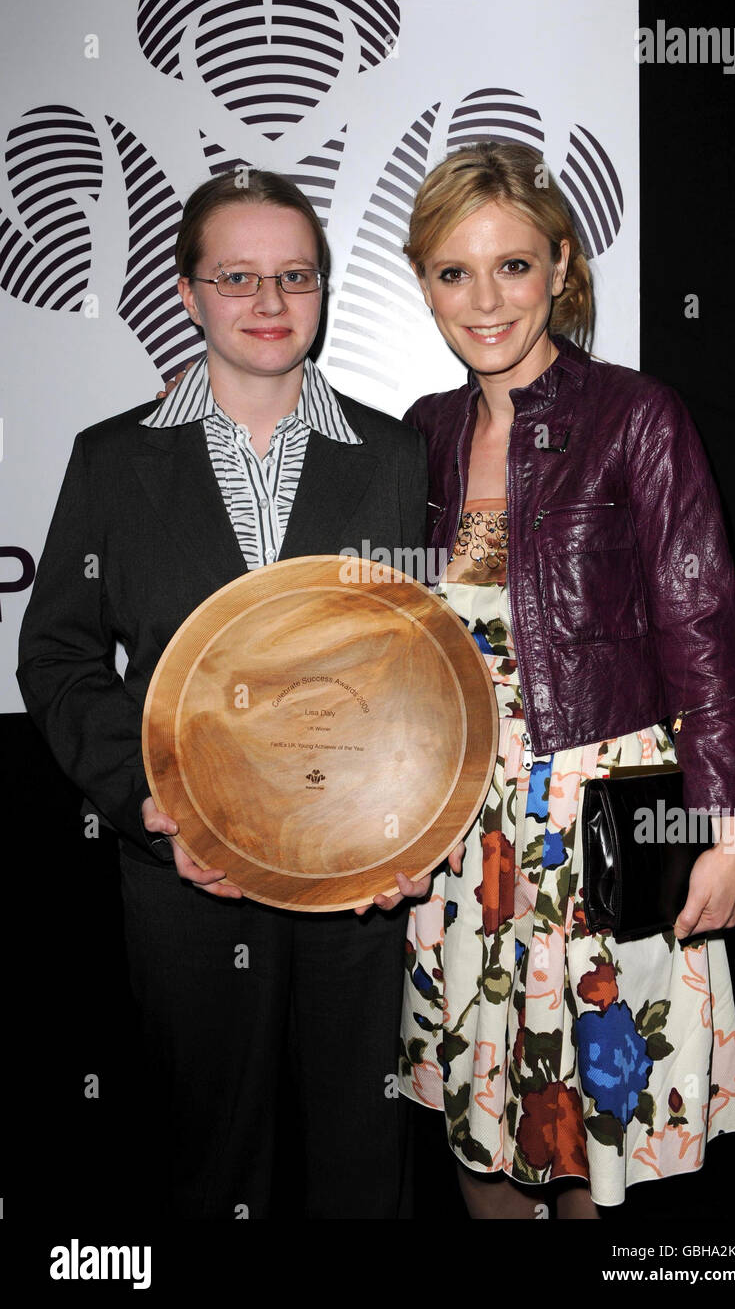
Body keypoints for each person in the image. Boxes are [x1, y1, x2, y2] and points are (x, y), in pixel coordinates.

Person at [17, 168, 430, 1219]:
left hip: (355, 879)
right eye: (236, 276)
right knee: (207, 1167)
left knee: (358, 1167)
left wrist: (410, 833)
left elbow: (429, 676)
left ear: (324, 289)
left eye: (294, 275)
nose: (268, 302)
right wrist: (151, 801)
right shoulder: (113, 460)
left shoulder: (391, 456)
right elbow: (59, 651)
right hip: (186, 880)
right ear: (188, 292)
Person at [397, 141, 735, 1218]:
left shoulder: (634, 416)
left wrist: (731, 825)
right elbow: (391, 643)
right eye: (454, 272)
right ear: (423, 283)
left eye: (512, 266)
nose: (485, 300)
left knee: (588, 1137)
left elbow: (704, 626)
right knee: (487, 1123)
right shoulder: (421, 434)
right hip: (468, 830)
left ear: (560, 266)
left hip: (598, 815)